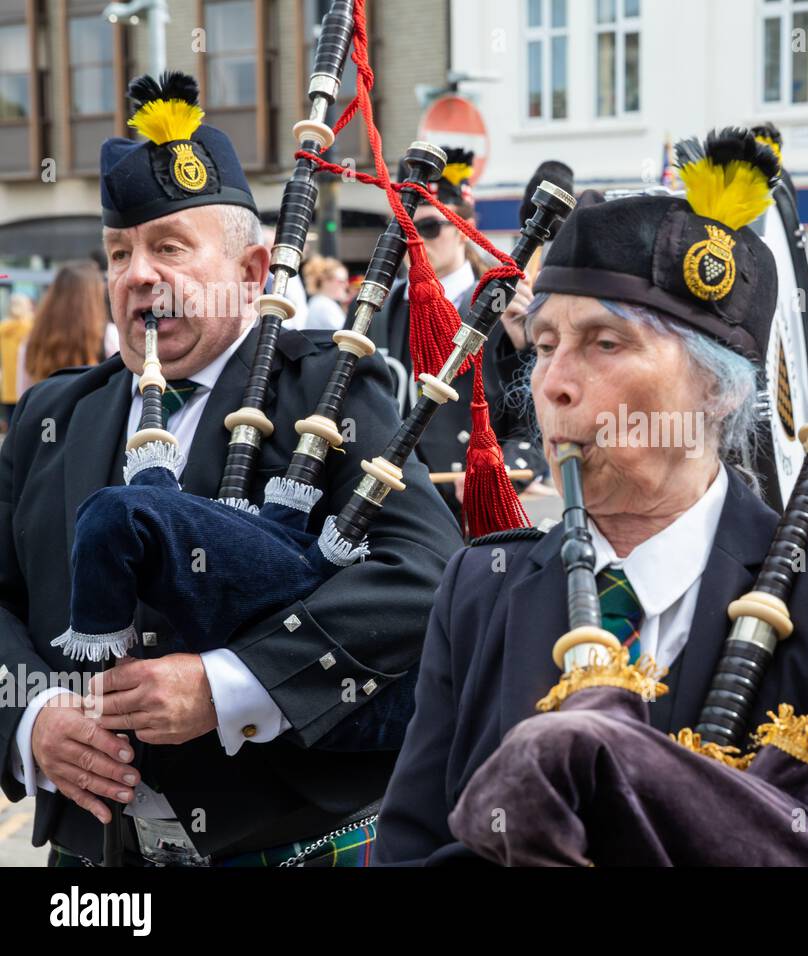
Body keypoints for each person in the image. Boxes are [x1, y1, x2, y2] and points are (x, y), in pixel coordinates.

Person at [374, 128, 808, 867]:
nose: (553, 384)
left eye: (605, 343)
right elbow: (409, 847)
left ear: (716, 388)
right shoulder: (482, 590)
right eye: (545, 345)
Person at [0, 71, 463, 866]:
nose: (139, 274)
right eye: (120, 253)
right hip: (96, 862)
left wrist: (229, 684)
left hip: (287, 845)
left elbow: (425, 573)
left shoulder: (328, 387)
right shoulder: (52, 415)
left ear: (252, 274)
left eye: (170, 247)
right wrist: (33, 715)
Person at [372, 147, 547, 524]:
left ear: (465, 230)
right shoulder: (375, 310)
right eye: (406, 228)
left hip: (471, 516)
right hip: (389, 512)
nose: (417, 240)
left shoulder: (503, 308)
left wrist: (529, 347)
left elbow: (532, 427)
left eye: (431, 227)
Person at [21, 261, 109, 391]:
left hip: (45, 409)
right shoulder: (108, 338)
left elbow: (24, 396)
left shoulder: (31, 341)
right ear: (94, 298)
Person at [0, 292, 35, 426]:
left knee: (11, 424)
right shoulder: (31, 328)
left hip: (7, 385)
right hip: (28, 386)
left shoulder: (2, 329)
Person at [297, 255, 350, 332]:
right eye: (341, 281)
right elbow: (345, 334)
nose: (346, 285)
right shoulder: (323, 304)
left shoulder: (320, 301)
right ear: (325, 281)